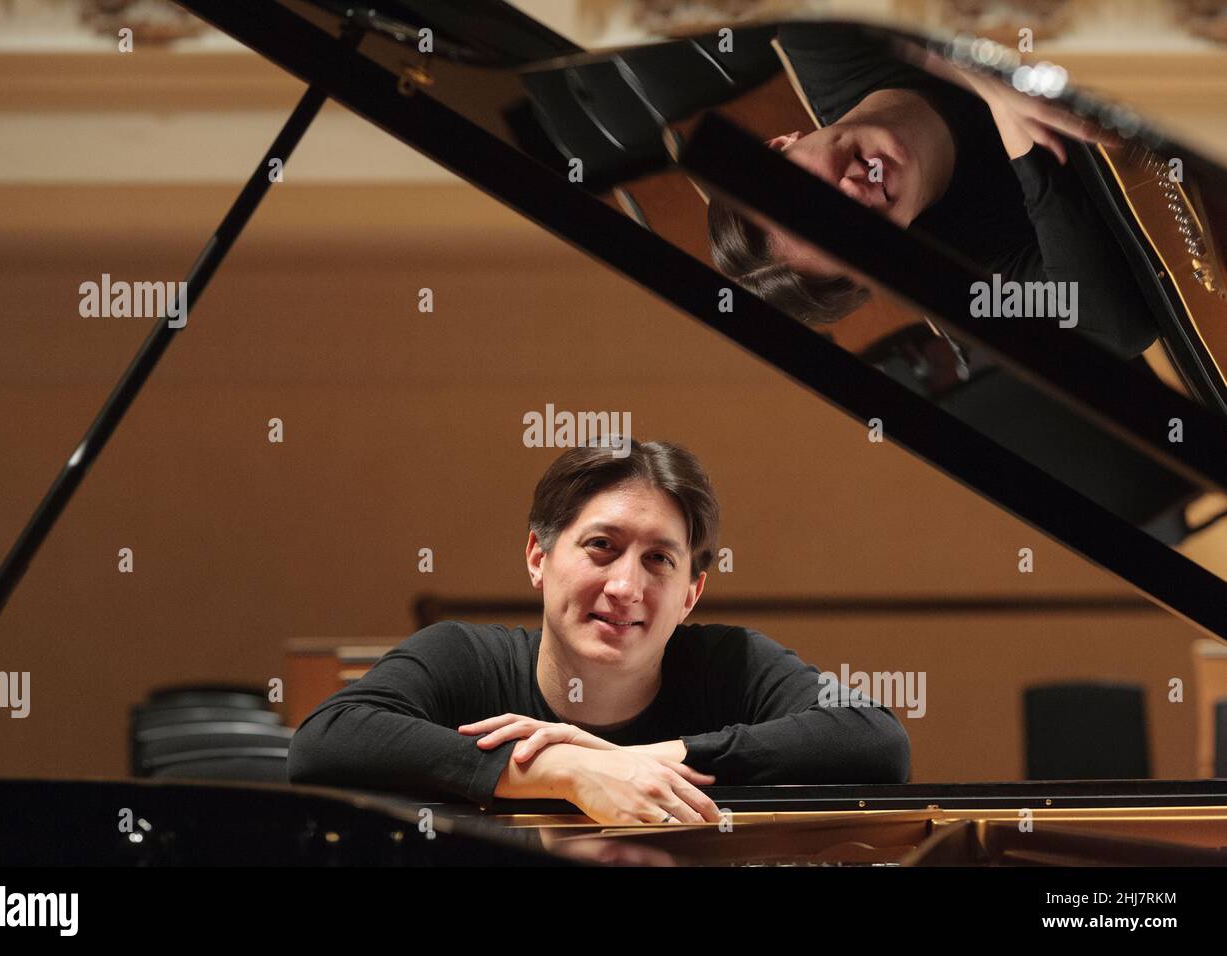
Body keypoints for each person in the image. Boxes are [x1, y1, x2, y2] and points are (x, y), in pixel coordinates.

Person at [288, 438, 911, 825]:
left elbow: (876, 742)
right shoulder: (463, 656)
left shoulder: (734, 661)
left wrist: (636, 761)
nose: (625, 587)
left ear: (691, 593)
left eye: (659, 560)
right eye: (601, 547)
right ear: (538, 556)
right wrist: (566, 770)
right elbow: (325, 743)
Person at [707, 23, 1159, 359]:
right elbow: (1115, 325)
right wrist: (1015, 126)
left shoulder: (818, 35)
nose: (853, 193)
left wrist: (989, 75)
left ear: (782, 146)